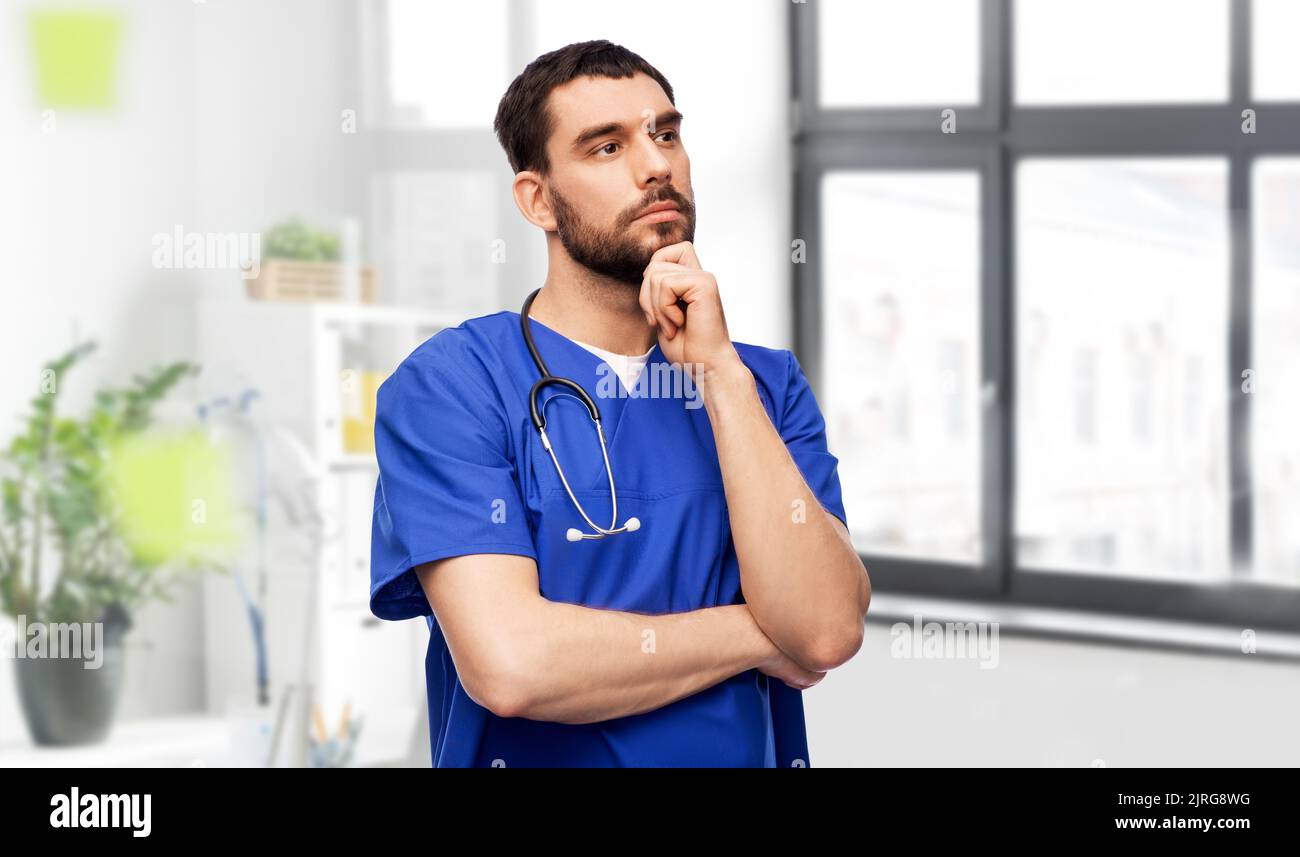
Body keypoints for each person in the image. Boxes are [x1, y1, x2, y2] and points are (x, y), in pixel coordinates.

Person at [369, 39, 870, 767]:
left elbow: (824, 631)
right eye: (607, 148)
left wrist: (719, 375)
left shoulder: (761, 385)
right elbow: (512, 663)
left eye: (665, 133)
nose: (656, 164)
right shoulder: (453, 387)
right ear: (537, 198)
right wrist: (760, 634)